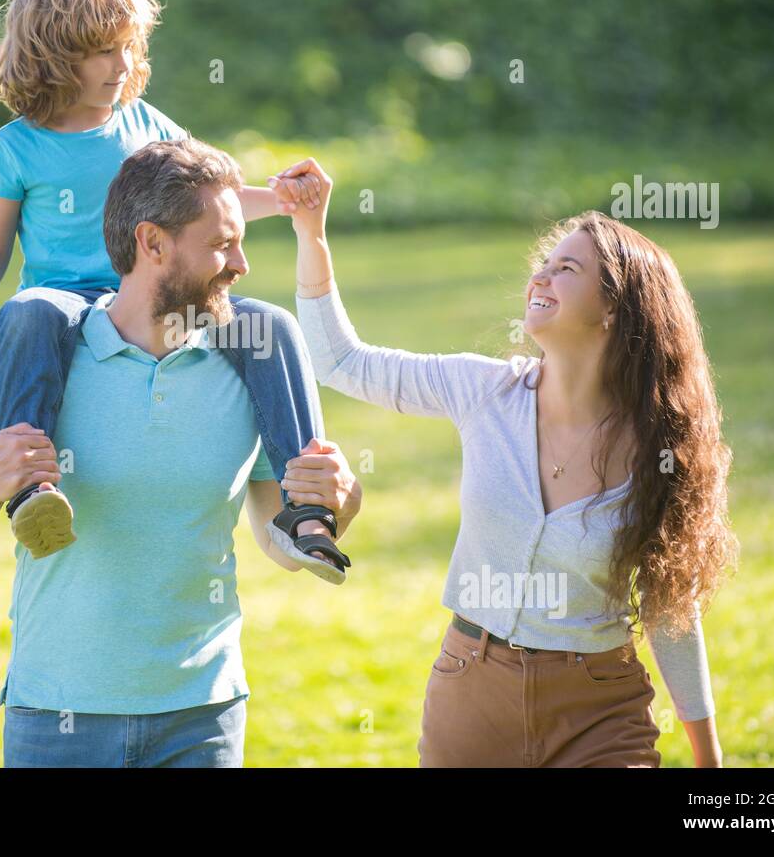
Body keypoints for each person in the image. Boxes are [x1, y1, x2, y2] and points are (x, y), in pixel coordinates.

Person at [273, 157, 737, 767]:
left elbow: (668, 606)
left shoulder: (660, 447)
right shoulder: (483, 390)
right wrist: (313, 233)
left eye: (566, 269)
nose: (539, 279)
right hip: (471, 693)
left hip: (598, 710)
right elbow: (340, 362)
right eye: (541, 266)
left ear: (613, 310)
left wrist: (708, 758)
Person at [0, 139, 363, 767]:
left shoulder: (247, 363)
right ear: (152, 244)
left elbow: (278, 547)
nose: (241, 264)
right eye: (221, 243)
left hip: (202, 715)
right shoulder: (25, 369)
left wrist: (343, 496)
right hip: (59, 717)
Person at [0, 0, 347, 580]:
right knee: (27, 315)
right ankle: (33, 492)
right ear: (51, 53)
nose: (122, 64)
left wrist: (283, 198)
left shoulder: (143, 123)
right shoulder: (15, 147)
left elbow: (212, 199)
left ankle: (303, 506)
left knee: (269, 326)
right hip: (67, 300)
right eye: (104, 50)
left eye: (130, 46)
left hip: (160, 289)